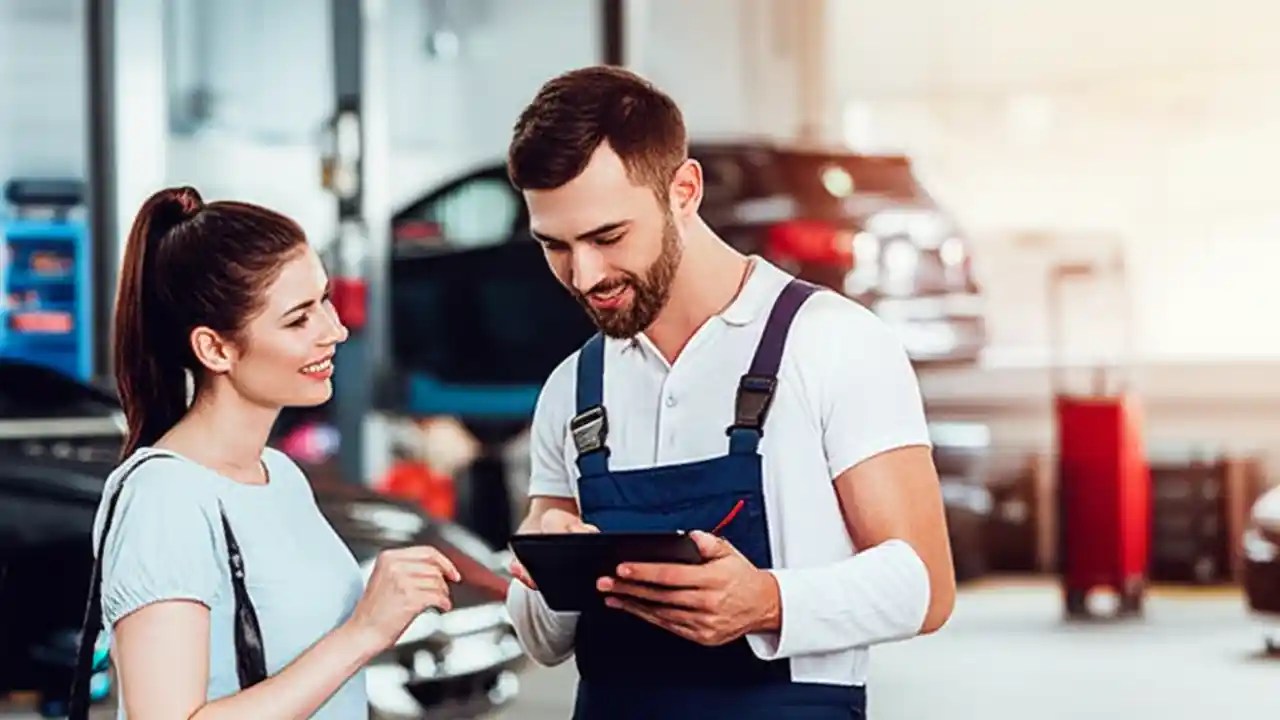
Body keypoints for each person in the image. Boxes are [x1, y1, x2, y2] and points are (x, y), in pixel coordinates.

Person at [503, 66, 957, 719]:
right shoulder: (572, 389)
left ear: (683, 191)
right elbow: (544, 644)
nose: (584, 275)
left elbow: (925, 587)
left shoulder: (833, 343)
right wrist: (548, 558)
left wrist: (768, 602)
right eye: (555, 246)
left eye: (608, 237)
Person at [81, 187, 459, 719]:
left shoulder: (278, 475)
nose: (335, 330)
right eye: (299, 319)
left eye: (324, 300)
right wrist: (364, 631)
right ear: (215, 348)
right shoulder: (164, 499)